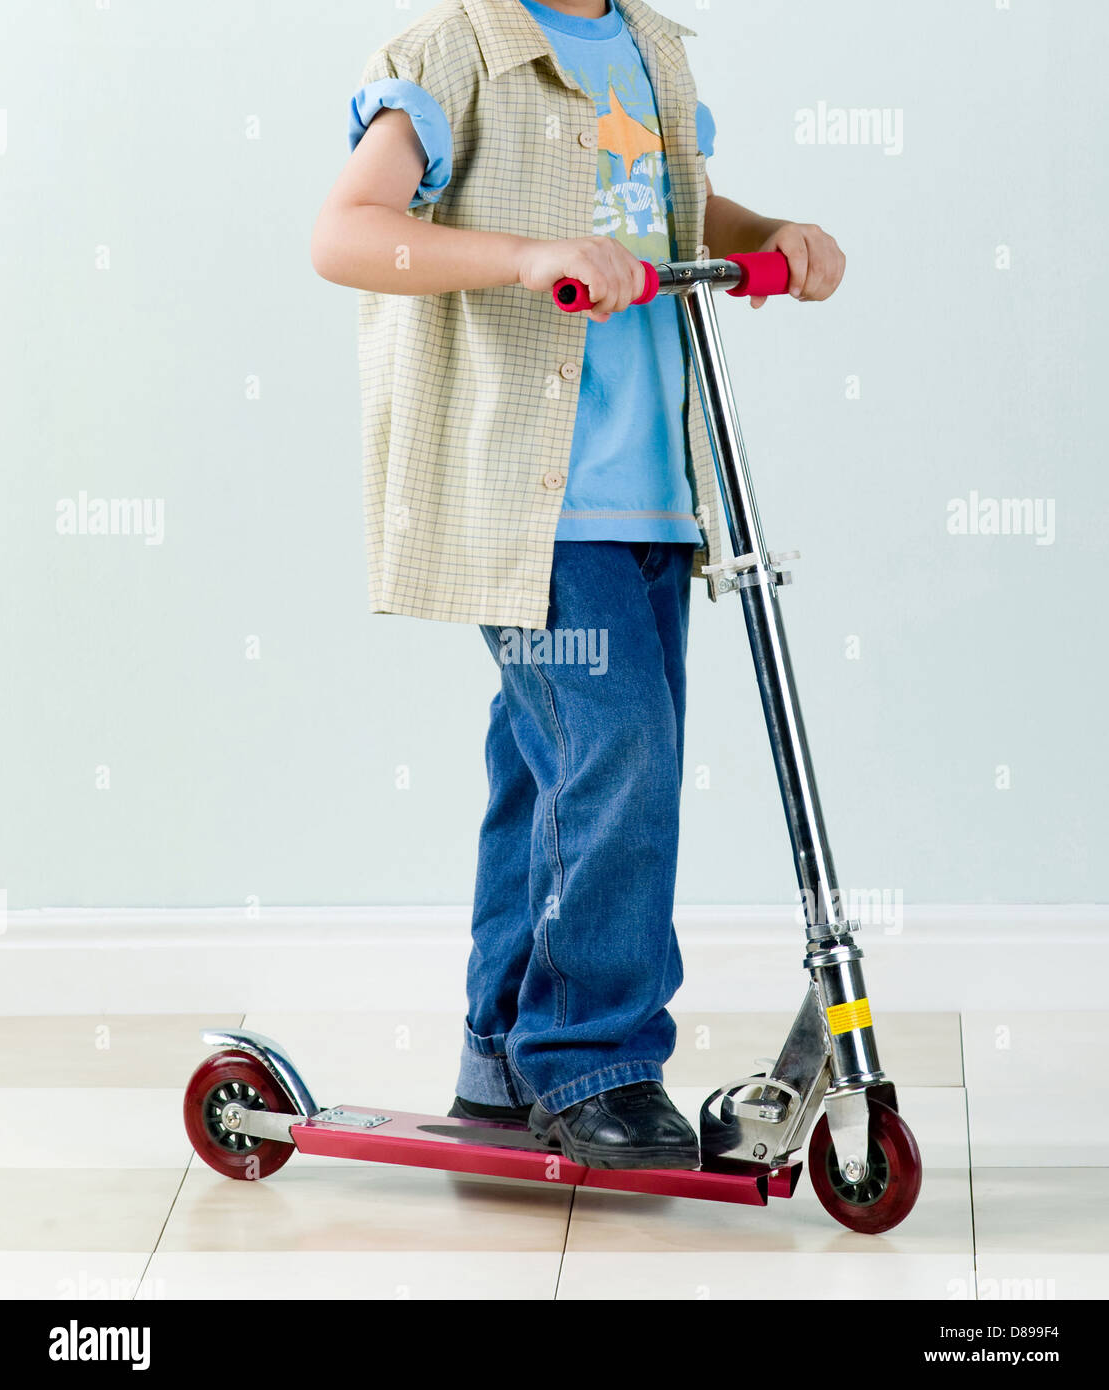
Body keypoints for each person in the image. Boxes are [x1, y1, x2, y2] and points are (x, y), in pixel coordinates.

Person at [310, 0, 845, 1170]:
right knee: (623, 754)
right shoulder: (451, 52)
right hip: (534, 506)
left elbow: (667, 210)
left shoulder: (650, 51)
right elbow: (347, 233)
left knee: (555, 773)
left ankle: (504, 1062)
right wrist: (528, 256)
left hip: (652, 492)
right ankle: (592, 1058)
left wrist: (777, 235)